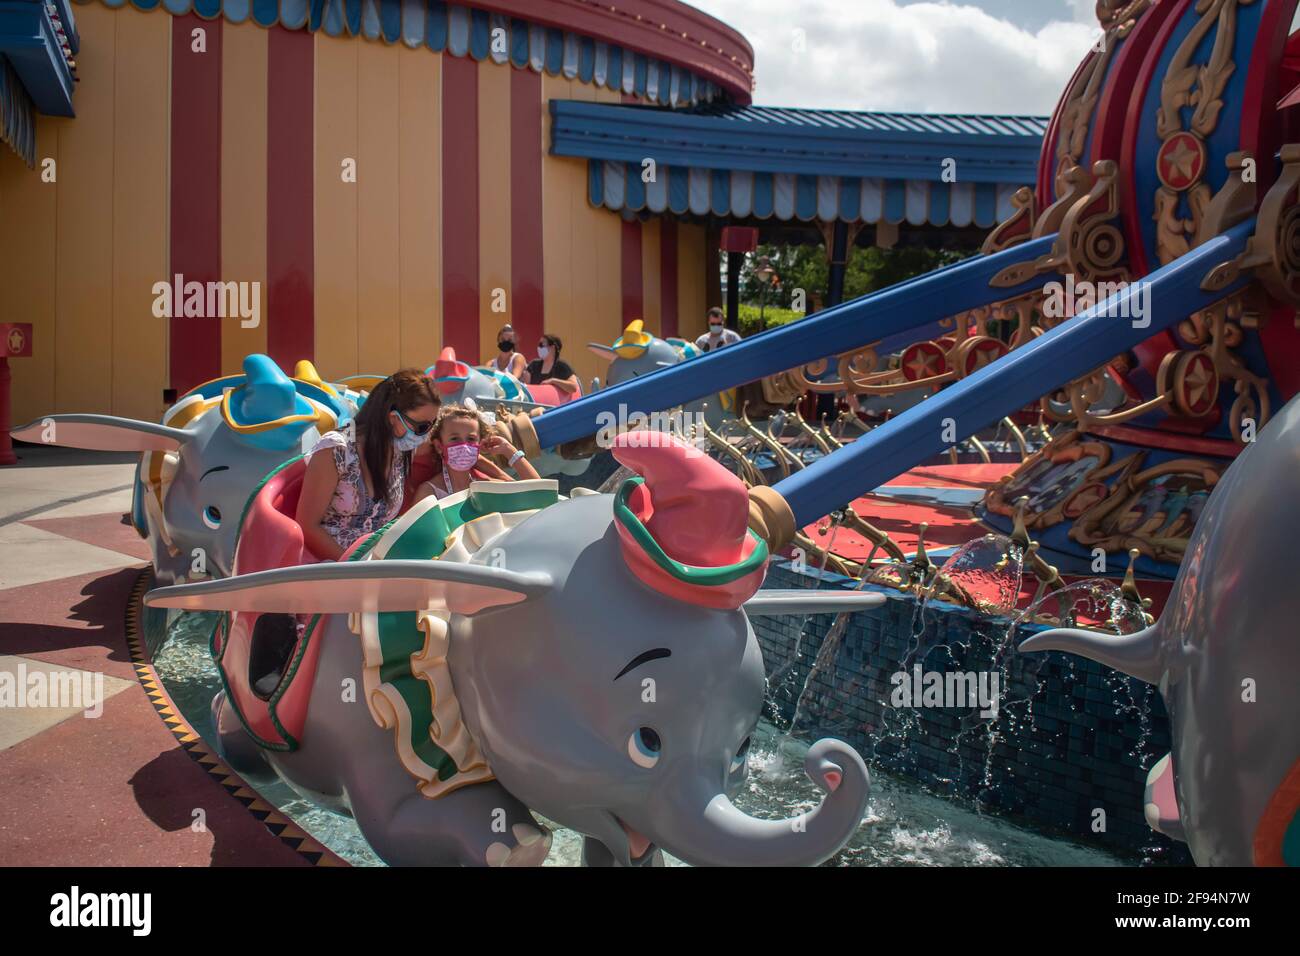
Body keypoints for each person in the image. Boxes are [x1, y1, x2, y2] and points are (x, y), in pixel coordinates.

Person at [297, 368, 440, 559]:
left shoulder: (401, 445)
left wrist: (482, 447)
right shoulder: (336, 450)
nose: (426, 435)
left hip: (378, 562)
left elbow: (449, 442)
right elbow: (307, 526)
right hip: (333, 566)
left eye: (433, 424)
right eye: (423, 427)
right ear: (392, 418)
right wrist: (354, 568)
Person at [414, 404, 540, 502]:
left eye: (471, 439)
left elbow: (540, 493)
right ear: (438, 445)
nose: (464, 446)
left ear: (479, 444)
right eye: (454, 439)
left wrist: (508, 449)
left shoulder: (487, 486)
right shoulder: (429, 492)